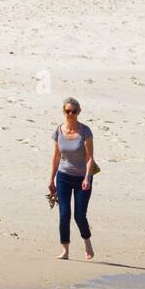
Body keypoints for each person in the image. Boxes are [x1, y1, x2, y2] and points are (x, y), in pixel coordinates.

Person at [48, 98, 95, 260]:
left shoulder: (85, 131)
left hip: (83, 178)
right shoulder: (58, 131)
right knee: (64, 214)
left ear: (78, 112)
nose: (70, 114)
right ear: (64, 112)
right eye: (67, 111)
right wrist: (51, 180)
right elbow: (56, 157)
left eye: (73, 111)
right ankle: (65, 249)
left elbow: (90, 157)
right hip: (63, 177)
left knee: (79, 215)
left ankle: (87, 241)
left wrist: (88, 177)